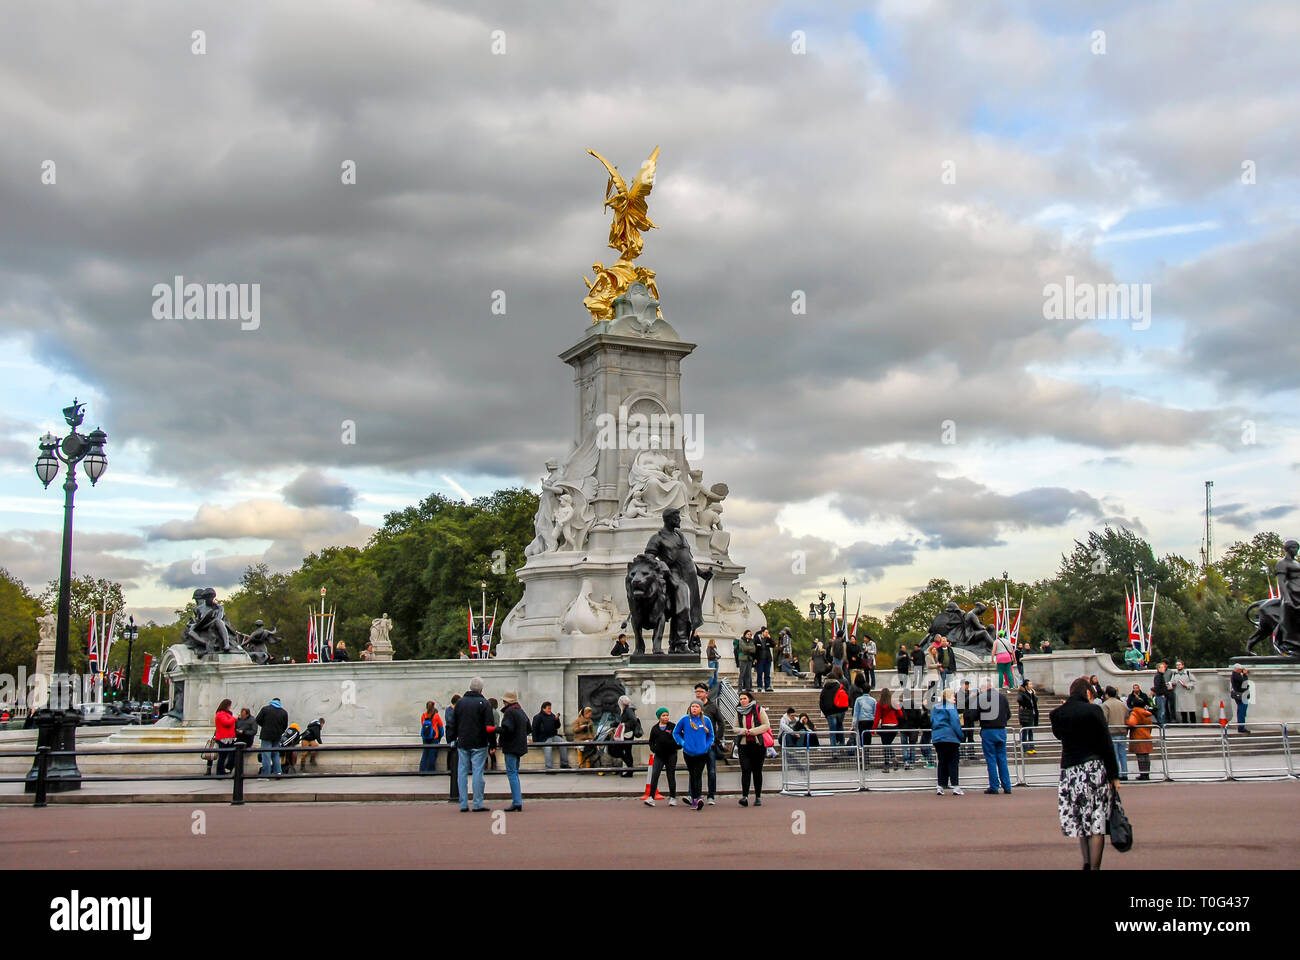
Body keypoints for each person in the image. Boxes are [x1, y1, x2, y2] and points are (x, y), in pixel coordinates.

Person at [1050, 677, 1120, 870]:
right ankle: (1095, 867)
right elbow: (1106, 743)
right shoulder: (1094, 710)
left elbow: (1059, 736)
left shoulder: (1057, 714)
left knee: (1081, 821)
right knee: (1096, 821)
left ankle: (1087, 862)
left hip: (1070, 771)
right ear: (1088, 693)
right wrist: (1114, 774)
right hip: (1093, 768)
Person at [448, 677, 492, 812]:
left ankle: (463, 803)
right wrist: (493, 743)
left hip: (463, 741)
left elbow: (452, 723)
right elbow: (489, 726)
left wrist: (451, 738)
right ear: (481, 689)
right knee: (478, 772)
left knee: (462, 772)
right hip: (479, 742)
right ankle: (478, 803)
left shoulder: (460, 703)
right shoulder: (484, 703)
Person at [673, 700, 715, 810]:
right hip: (689, 752)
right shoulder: (684, 720)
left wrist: (707, 746)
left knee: (698, 774)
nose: (694, 708)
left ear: (701, 709)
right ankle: (694, 798)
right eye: (692, 706)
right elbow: (676, 732)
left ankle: (698, 797)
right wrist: (682, 743)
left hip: (702, 752)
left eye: (697, 706)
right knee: (692, 774)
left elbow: (711, 735)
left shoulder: (706, 720)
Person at [735, 691, 771, 806]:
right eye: (740, 699)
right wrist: (743, 731)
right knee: (745, 769)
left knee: (757, 770)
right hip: (744, 745)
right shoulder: (739, 711)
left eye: (744, 698)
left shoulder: (758, 709)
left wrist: (753, 731)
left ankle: (758, 796)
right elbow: (735, 727)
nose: (742, 701)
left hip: (757, 745)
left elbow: (766, 725)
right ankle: (744, 796)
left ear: (749, 699)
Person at [497, 690, 529, 811]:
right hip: (520, 745)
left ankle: (517, 801)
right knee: (515, 772)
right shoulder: (521, 711)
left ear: (506, 702)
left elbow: (507, 729)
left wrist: (494, 729)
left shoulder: (509, 713)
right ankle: (517, 800)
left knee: (512, 773)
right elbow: (529, 727)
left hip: (511, 746)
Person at [695, 682, 726, 802]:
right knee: (696, 770)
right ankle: (694, 794)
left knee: (711, 771)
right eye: (696, 692)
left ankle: (711, 795)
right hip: (697, 744)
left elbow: (721, 723)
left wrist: (716, 739)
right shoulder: (693, 706)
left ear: (706, 693)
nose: (698, 694)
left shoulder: (713, 706)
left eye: (700, 692)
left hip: (709, 743)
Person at [980, 682, 1012, 794]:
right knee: (1002, 759)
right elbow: (1009, 714)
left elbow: (973, 715)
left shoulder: (982, 697)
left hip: (988, 730)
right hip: (1001, 729)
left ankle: (994, 786)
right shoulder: (1003, 697)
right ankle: (1007, 785)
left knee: (991, 759)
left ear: (985, 687)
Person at [931, 689, 965, 796]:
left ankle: (941, 785)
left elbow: (932, 721)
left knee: (942, 762)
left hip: (938, 737)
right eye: (953, 696)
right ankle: (955, 785)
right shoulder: (951, 707)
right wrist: (961, 736)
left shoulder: (935, 707)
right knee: (953, 762)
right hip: (950, 737)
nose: (955, 698)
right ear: (948, 697)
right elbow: (955, 722)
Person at [645, 707, 679, 806]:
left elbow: (678, 737)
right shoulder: (655, 728)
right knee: (655, 774)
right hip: (659, 755)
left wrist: (676, 746)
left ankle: (673, 797)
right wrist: (654, 749)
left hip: (671, 755)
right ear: (659, 717)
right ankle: (651, 797)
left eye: (667, 715)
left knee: (670, 775)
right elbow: (651, 741)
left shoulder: (672, 726)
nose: (666, 717)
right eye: (663, 715)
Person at [255, 696, 288, 777]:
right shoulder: (284, 712)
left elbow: (258, 720)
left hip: (266, 734)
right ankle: (278, 772)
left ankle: (266, 774)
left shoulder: (265, 709)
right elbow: (285, 725)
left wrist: (265, 725)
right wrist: (280, 731)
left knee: (266, 754)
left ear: (272, 701)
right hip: (277, 735)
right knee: (276, 754)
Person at [1100, 686, 1129, 781]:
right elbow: (1126, 717)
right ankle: (1125, 773)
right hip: (1122, 731)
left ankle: (1118, 773)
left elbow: (1104, 719)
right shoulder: (1122, 704)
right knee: (1122, 754)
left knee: (1114, 754)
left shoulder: (1105, 705)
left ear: (1107, 694)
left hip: (1112, 732)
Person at [532, 700, 570, 769]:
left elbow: (557, 726)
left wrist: (556, 720)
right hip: (544, 738)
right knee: (548, 748)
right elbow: (534, 729)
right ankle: (548, 767)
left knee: (563, 743)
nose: (550, 710)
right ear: (543, 709)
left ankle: (564, 764)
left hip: (553, 736)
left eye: (550, 708)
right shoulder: (538, 717)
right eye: (548, 708)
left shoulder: (552, 716)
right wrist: (535, 741)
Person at [871, 687, 902, 772]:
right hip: (894, 726)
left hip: (885, 726)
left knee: (885, 745)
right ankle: (893, 758)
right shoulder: (894, 702)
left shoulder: (880, 704)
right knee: (888, 744)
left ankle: (887, 765)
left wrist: (873, 729)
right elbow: (900, 713)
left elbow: (877, 718)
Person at [612, 695, 641, 777]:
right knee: (628, 752)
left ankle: (630, 768)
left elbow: (634, 720)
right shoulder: (626, 710)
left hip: (627, 734)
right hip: (626, 733)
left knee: (619, 751)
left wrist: (625, 725)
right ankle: (629, 771)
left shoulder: (628, 710)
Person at [1126, 700, 1156, 780]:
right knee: (1146, 757)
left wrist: (1126, 721)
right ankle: (1146, 774)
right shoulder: (1147, 714)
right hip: (1146, 735)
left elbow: (1132, 723)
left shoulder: (1135, 713)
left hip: (1138, 737)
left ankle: (1143, 774)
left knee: (1140, 757)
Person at [819, 667, 849, 747]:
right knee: (840, 727)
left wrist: (826, 713)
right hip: (840, 711)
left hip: (830, 713)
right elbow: (846, 697)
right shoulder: (839, 687)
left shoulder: (824, 689)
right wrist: (844, 710)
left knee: (832, 731)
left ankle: (834, 749)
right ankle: (842, 744)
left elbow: (821, 703)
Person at [209, 699, 236, 776]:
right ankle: (219, 772)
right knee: (222, 756)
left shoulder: (226, 714)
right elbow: (226, 723)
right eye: (229, 705)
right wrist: (234, 718)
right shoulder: (220, 714)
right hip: (223, 738)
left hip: (228, 738)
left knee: (227, 755)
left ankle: (223, 770)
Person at [419, 700, 444, 773]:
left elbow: (423, 725)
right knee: (432, 754)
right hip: (434, 737)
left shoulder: (423, 715)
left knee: (425, 753)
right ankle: (431, 770)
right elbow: (441, 726)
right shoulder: (436, 716)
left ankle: (422, 770)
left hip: (425, 737)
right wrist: (441, 736)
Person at [957, 680, 978, 760]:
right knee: (963, 736)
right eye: (966, 685)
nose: (967, 686)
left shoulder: (969, 692)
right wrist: (970, 697)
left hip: (970, 717)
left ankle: (971, 753)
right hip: (963, 717)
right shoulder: (959, 694)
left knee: (971, 736)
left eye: (968, 685)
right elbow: (961, 704)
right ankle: (961, 753)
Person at [852, 684, 876, 754]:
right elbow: (875, 712)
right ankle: (867, 750)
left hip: (862, 720)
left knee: (862, 736)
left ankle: (863, 751)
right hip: (870, 720)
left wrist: (853, 724)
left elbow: (856, 712)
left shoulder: (858, 700)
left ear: (862, 690)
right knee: (868, 736)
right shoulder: (873, 700)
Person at [446, 693, 461, 802]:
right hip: (452, 733)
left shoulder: (452, 710)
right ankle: (450, 767)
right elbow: (450, 721)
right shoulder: (450, 710)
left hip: (454, 733)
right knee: (451, 750)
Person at [1017, 681, 1039, 755]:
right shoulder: (1022, 693)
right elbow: (1019, 700)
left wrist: (1034, 695)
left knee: (1031, 731)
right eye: (1030, 684)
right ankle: (1025, 747)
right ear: (1026, 686)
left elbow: (1035, 701)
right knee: (1025, 731)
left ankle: (1032, 746)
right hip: (1026, 714)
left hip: (1032, 714)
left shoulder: (1032, 693)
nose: (1031, 685)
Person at [234, 706, 257, 775]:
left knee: (240, 753)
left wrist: (244, 732)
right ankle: (229, 768)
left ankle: (237, 771)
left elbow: (254, 731)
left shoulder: (252, 720)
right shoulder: (238, 719)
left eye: (244, 715)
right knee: (233, 752)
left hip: (247, 739)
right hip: (238, 738)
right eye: (242, 715)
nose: (242, 716)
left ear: (247, 714)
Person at [1230, 665, 1251, 734]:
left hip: (1238, 695)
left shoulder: (1234, 675)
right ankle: (1241, 727)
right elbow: (1244, 684)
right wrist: (1245, 675)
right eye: (1241, 669)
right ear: (1237, 669)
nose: (1241, 670)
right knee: (1242, 711)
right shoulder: (1237, 676)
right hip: (1242, 696)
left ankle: (1240, 726)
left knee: (1240, 711)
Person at [754, 627, 774, 693]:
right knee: (759, 673)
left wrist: (770, 638)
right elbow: (754, 649)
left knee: (767, 674)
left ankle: (767, 686)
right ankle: (759, 686)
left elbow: (773, 645)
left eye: (768, 632)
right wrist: (755, 658)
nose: (767, 633)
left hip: (767, 659)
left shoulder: (768, 639)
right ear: (762, 632)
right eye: (766, 632)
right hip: (760, 659)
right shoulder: (757, 638)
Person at [1151, 661, 1171, 727]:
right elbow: (1157, 686)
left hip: (1162, 695)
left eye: (1164, 667)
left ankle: (1162, 722)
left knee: (1162, 710)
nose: (1164, 669)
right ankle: (1161, 723)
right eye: (1162, 667)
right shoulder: (1158, 676)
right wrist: (1161, 693)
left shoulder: (1161, 676)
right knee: (1161, 710)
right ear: (1158, 668)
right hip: (1160, 696)